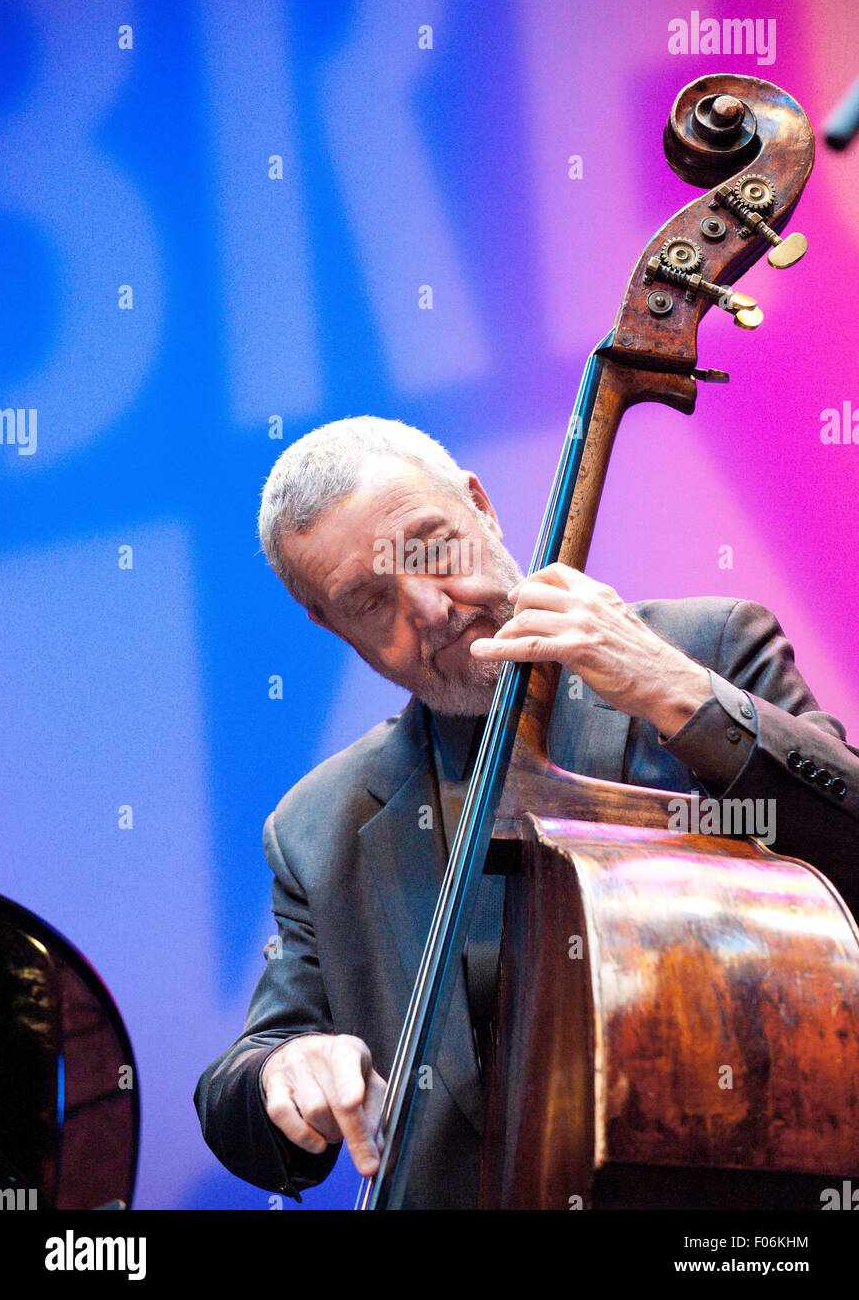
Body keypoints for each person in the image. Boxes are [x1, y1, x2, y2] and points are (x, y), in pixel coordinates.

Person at [195, 416, 859, 1209]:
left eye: (433, 548)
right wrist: (282, 1070)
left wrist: (680, 695)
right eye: (371, 600)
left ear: (481, 506)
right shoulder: (317, 827)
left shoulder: (706, 648)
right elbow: (239, 1082)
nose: (432, 609)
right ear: (329, 624)